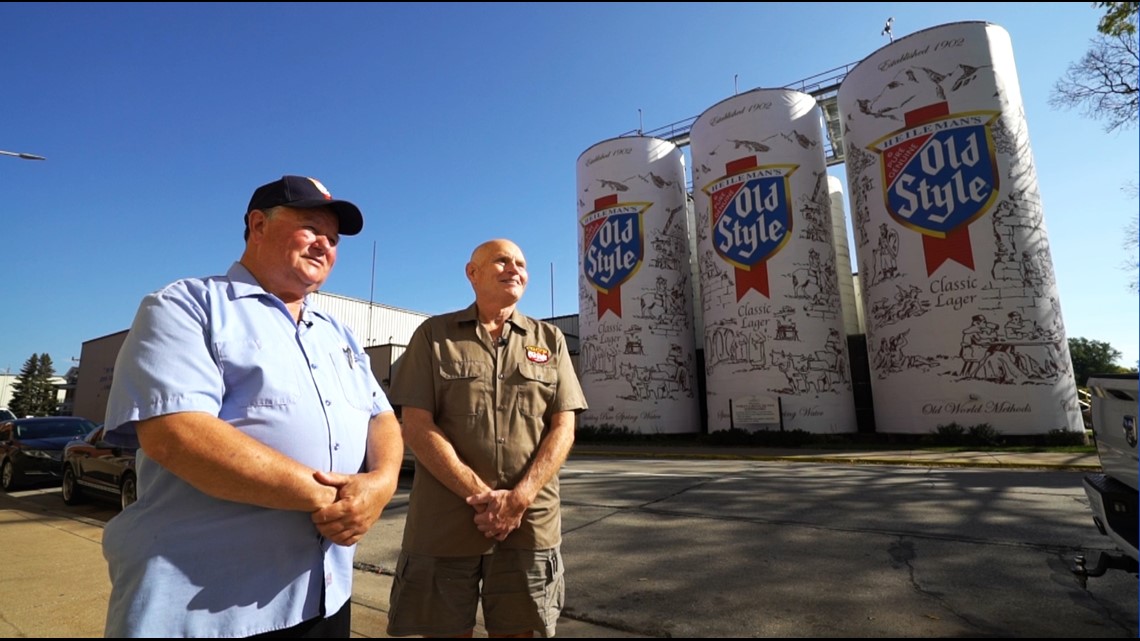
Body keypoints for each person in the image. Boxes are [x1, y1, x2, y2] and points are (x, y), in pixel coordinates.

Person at [101, 175, 405, 638]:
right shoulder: (187, 306)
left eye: (334, 238)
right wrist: (338, 500)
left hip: (325, 596)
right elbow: (176, 434)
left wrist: (380, 486)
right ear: (258, 224)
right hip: (211, 607)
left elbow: (380, 416)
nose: (325, 244)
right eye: (310, 227)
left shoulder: (337, 333)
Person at [385, 239, 588, 638]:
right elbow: (416, 425)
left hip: (528, 524)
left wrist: (520, 498)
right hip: (443, 524)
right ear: (472, 273)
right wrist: (483, 496)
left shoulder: (550, 340)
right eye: (501, 260)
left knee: (518, 631)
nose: (515, 268)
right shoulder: (434, 335)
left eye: (521, 263)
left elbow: (563, 427)